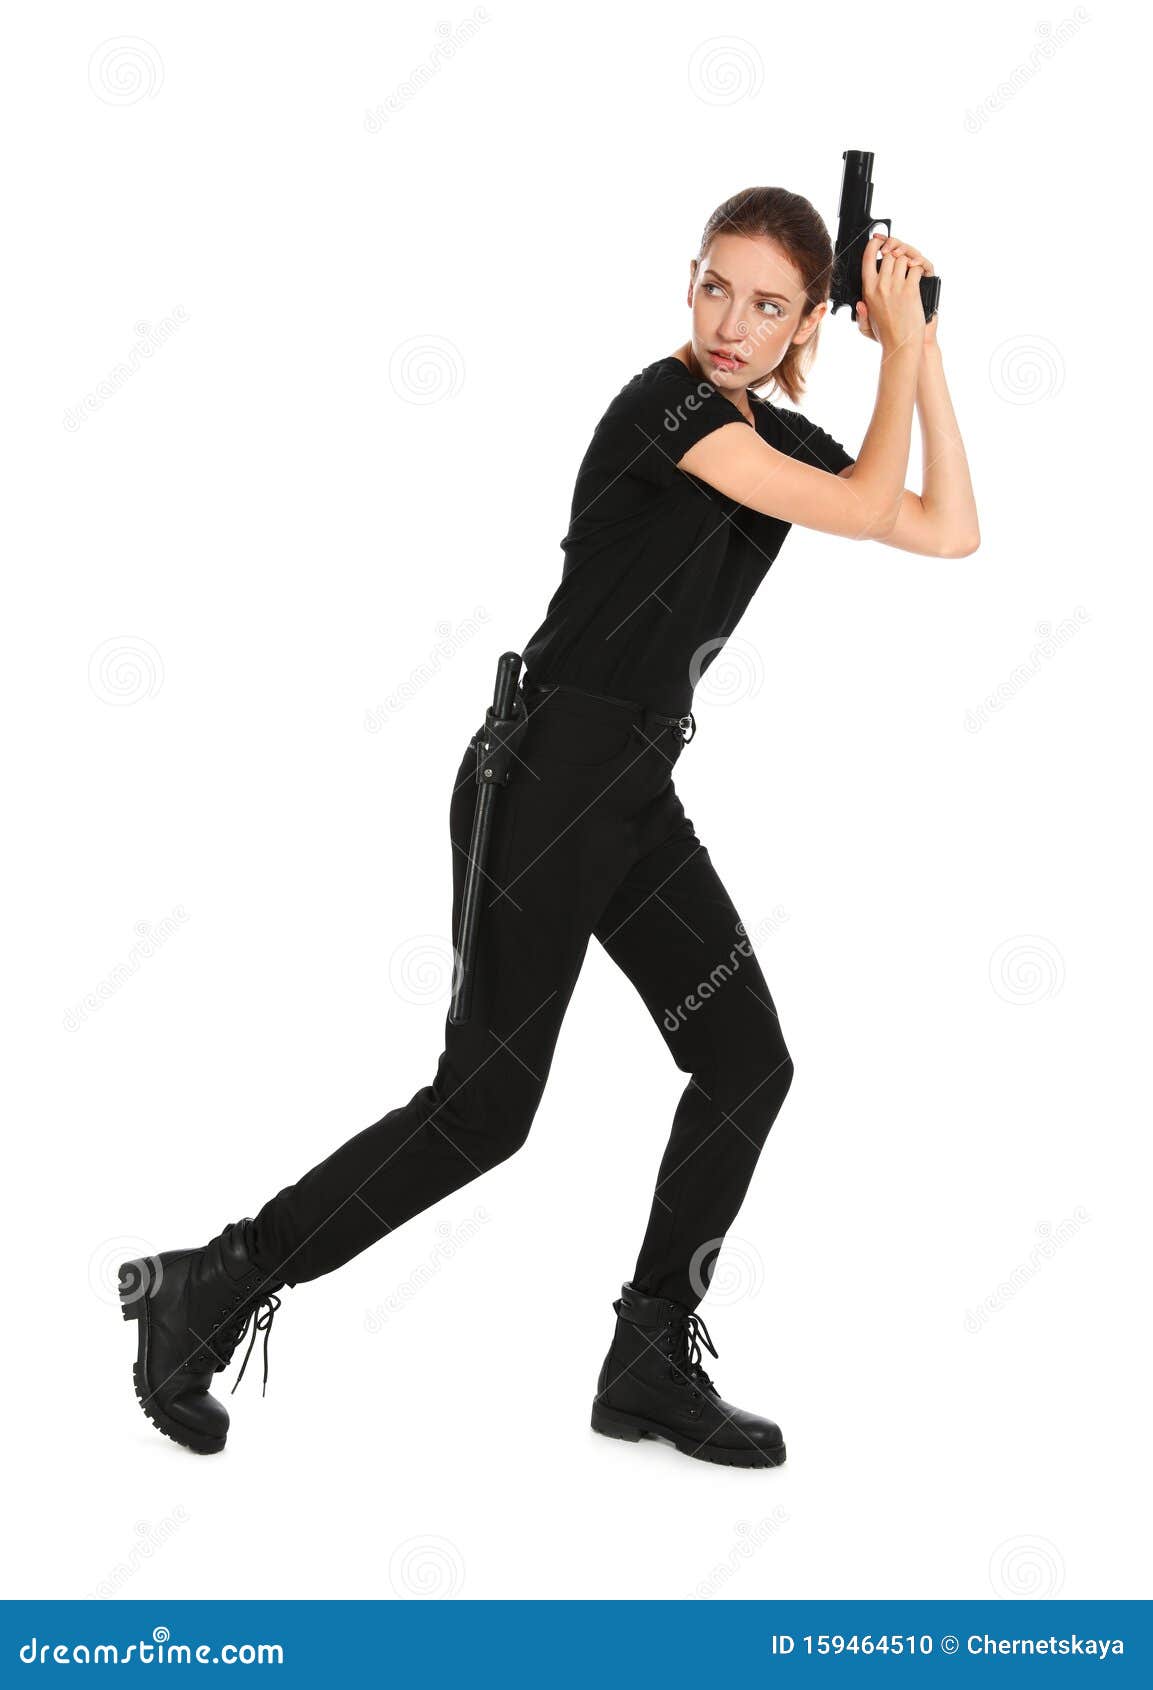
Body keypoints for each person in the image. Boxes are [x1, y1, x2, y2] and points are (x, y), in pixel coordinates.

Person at [116, 185, 978, 1466]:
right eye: (715, 287)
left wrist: (926, 349)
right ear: (686, 284)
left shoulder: (777, 440)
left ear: (806, 324)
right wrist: (896, 349)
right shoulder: (667, 407)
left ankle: (644, 1360)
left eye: (767, 305)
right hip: (545, 776)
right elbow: (864, 500)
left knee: (745, 1059)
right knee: (482, 1112)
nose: (731, 323)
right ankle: (212, 1282)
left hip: (631, 790)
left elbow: (942, 528)